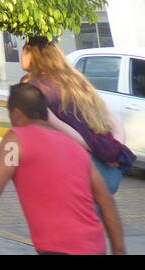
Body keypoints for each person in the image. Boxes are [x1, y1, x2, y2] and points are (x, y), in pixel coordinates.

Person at [0, 83, 125, 255]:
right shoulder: (74, 147)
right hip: (94, 247)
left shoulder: (15, 141)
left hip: (59, 249)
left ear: (16, 113)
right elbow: (106, 201)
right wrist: (119, 250)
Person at [20, 36, 132, 194]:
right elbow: (109, 117)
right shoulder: (78, 81)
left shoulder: (30, 86)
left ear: (32, 54)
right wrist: (114, 147)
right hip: (100, 171)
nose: (21, 56)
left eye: (24, 51)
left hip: (66, 166)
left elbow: (57, 125)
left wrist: (92, 147)